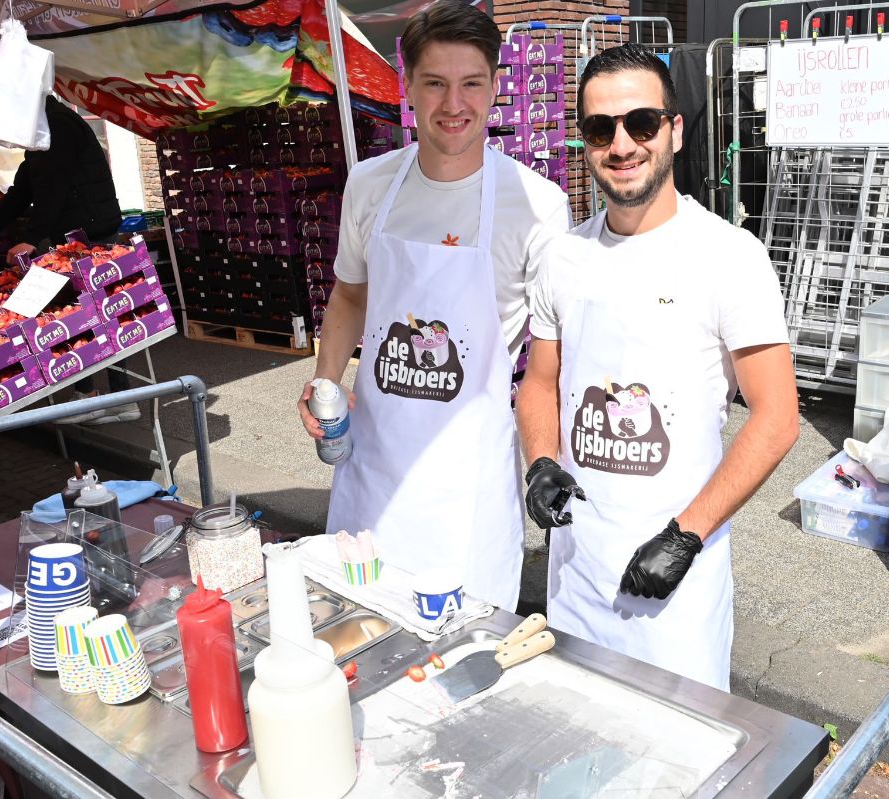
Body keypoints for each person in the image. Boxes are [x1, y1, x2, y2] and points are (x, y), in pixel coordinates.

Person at [515, 43, 799, 690]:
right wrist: (538, 462)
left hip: (678, 599)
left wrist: (687, 536)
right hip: (576, 578)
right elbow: (539, 383)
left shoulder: (729, 257)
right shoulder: (562, 258)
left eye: (641, 123)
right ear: (584, 141)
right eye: (600, 128)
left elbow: (778, 419)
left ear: (673, 128)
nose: (622, 144)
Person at [297, 0, 571, 610]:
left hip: (467, 488)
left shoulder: (537, 204)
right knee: (363, 628)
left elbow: (552, 357)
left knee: (462, 656)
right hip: (374, 466)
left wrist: (545, 458)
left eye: (472, 84)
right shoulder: (370, 185)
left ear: (495, 87)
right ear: (408, 87)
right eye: (436, 84)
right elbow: (349, 295)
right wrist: (324, 383)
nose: (454, 105)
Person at [0, 94, 136, 425]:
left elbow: (53, 187)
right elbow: (25, 187)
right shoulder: (41, 130)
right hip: (70, 233)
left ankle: (120, 398)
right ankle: (88, 396)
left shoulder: (59, 125)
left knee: (99, 314)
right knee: (71, 316)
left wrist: (31, 236)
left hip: (90, 234)